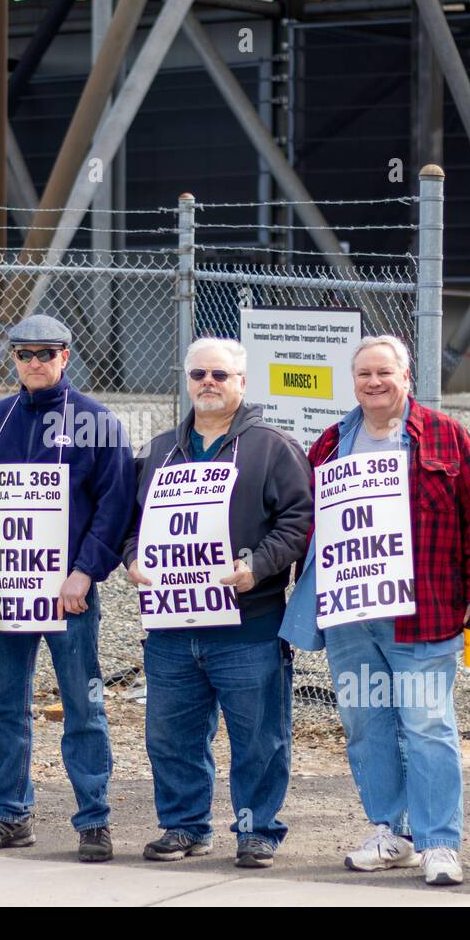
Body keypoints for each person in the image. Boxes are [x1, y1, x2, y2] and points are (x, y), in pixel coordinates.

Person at [281, 334, 470, 885]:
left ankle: (439, 843)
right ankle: (392, 831)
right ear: (352, 382)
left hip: (424, 611)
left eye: (385, 373)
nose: (374, 383)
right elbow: (310, 528)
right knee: (366, 725)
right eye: (364, 375)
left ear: (407, 377)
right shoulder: (331, 443)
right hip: (351, 615)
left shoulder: (446, 437)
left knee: (428, 724)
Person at [0, 315, 135, 863]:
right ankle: (10, 814)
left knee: (83, 706)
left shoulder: (97, 423)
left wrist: (86, 571)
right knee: (4, 706)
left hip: (68, 594)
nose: (34, 362)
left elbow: (115, 503)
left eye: (45, 352)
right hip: (6, 591)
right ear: (12, 359)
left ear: (65, 356)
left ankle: (94, 820)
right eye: (23, 353)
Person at [125, 337, 311, 869]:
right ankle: (184, 826)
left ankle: (257, 830)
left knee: (258, 736)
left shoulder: (273, 446)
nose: (209, 382)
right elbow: (133, 525)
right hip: (172, 627)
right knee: (170, 733)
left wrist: (257, 567)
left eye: (221, 376)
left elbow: (299, 521)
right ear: (186, 380)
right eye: (199, 374)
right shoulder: (160, 450)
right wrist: (134, 558)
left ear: (242, 383)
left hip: (248, 625)